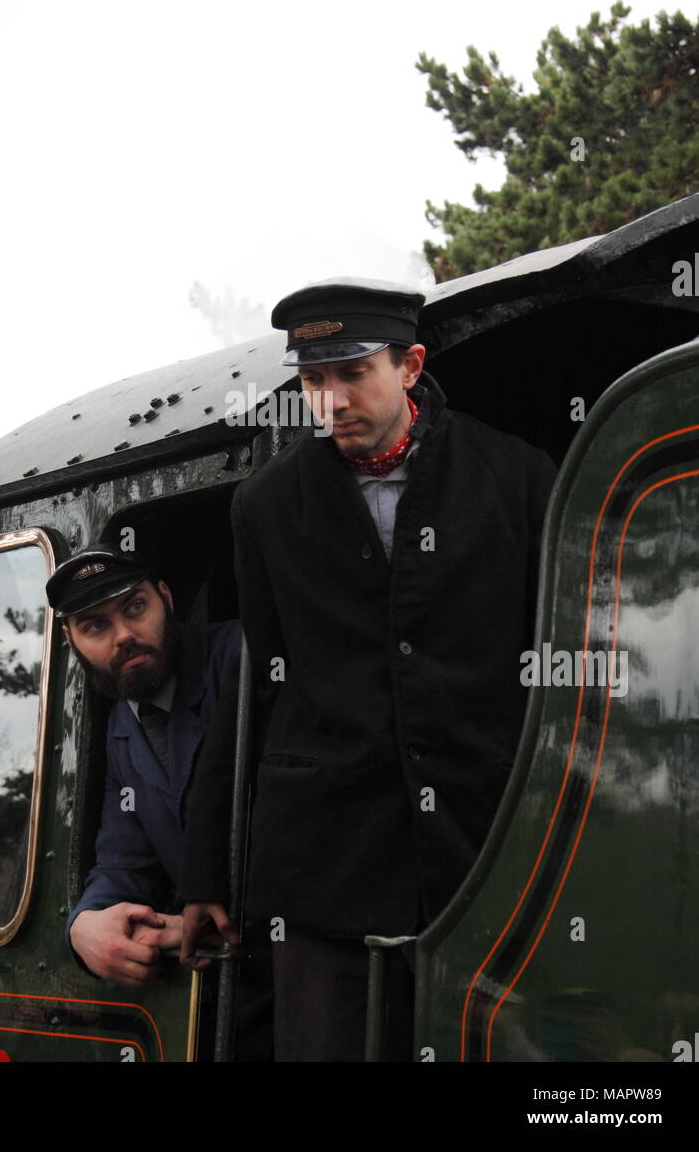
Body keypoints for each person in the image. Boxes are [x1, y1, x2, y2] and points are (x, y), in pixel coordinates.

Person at [179, 277, 557, 1061]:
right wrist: (207, 873)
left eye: (353, 373)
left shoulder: (517, 478)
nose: (331, 399)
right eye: (314, 380)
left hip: (486, 853)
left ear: (412, 365)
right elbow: (260, 684)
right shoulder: (265, 506)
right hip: (323, 871)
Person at [46, 545, 242, 987]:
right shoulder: (123, 726)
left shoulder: (242, 658)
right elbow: (124, 860)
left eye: (135, 606)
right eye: (95, 625)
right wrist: (84, 927)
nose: (123, 635)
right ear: (70, 640)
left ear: (166, 598)